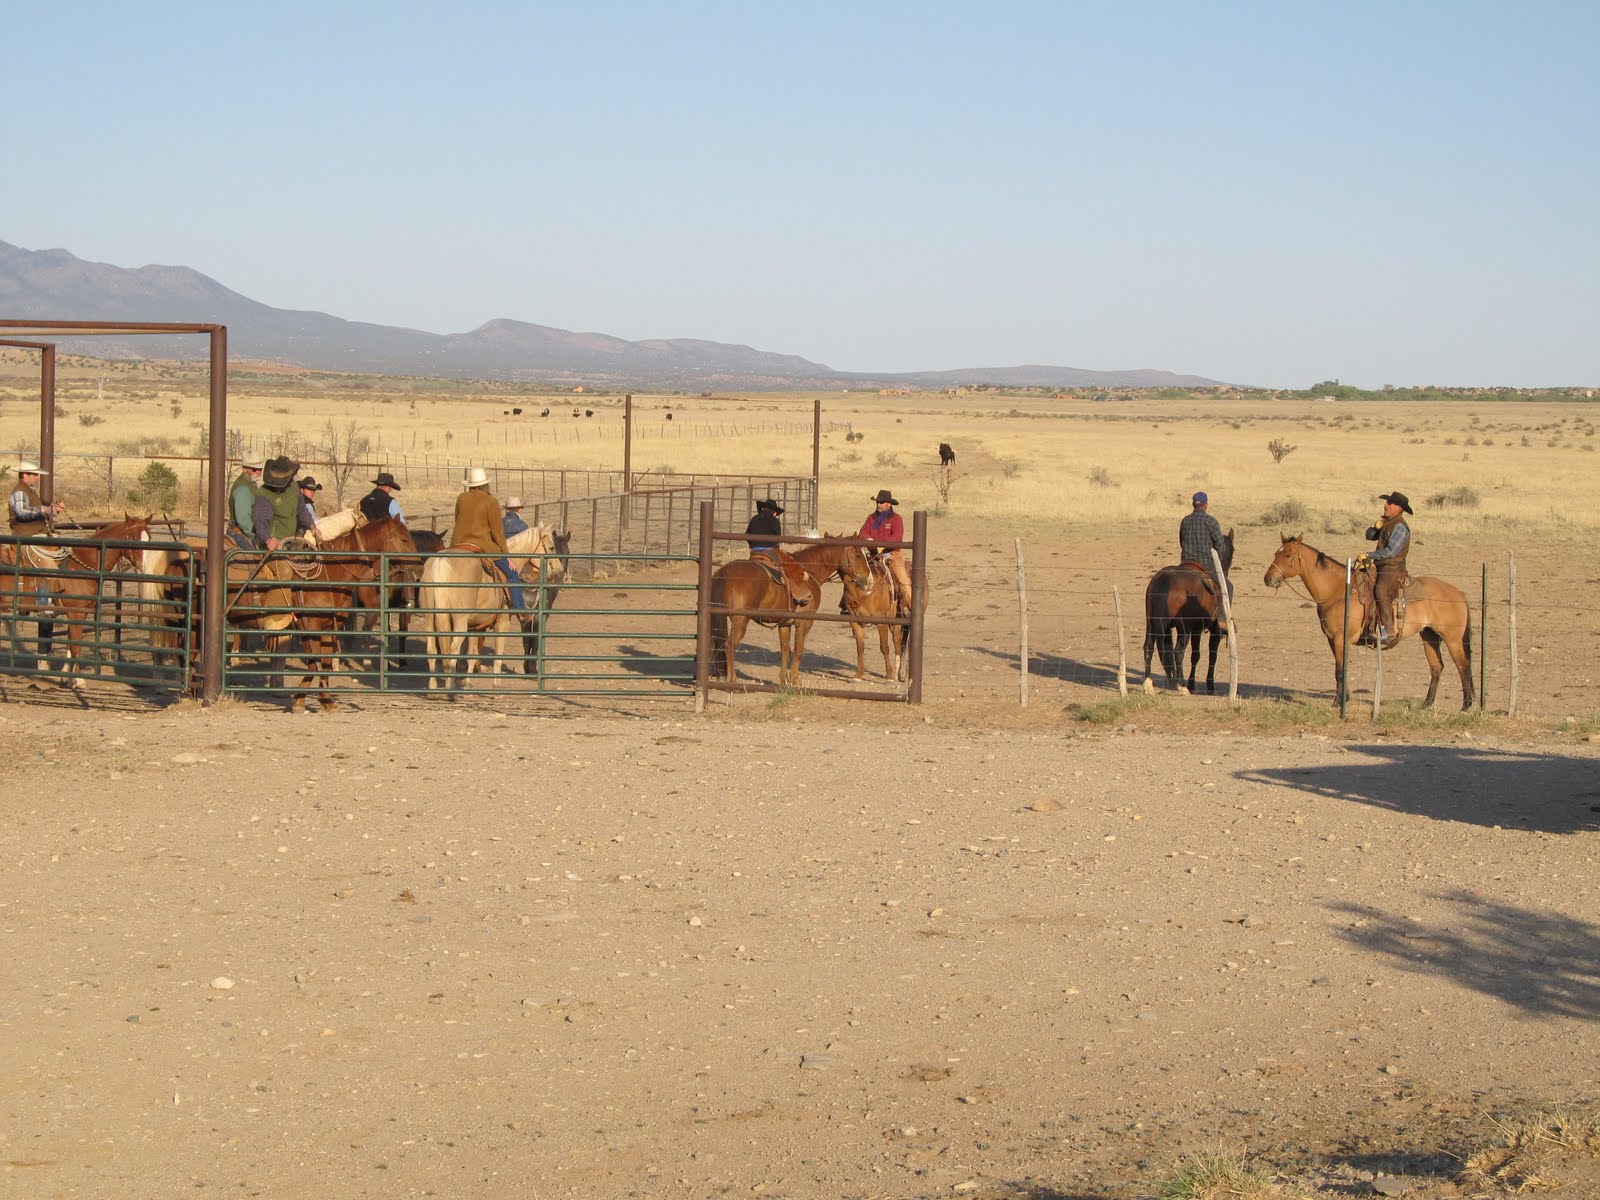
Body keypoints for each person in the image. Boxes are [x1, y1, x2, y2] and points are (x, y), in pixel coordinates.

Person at [452, 466, 525, 617]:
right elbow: (497, 533)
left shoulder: (461, 498)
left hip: (457, 544)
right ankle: (520, 610)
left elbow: (457, 520)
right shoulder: (490, 501)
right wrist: (507, 555)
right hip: (482, 546)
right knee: (512, 573)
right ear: (486, 484)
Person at [9, 460, 67, 618]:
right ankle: (43, 606)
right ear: (25, 475)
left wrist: (53, 510)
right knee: (46, 565)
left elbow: (36, 513)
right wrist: (45, 509)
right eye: (35, 474)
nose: (37, 477)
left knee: (61, 552)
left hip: (35, 536)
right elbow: (21, 512)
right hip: (26, 538)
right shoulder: (20, 492)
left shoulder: (30, 492)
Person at [1358, 490, 1413, 649]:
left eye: (1390, 503)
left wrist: (1368, 555)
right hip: (1381, 565)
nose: (1385, 505)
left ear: (1398, 508)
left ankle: (1388, 630)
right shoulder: (1387, 522)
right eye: (1387, 502)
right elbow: (1369, 536)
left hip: (1393, 567)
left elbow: (1391, 551)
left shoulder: (1400, 527)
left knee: (1381, 589)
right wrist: (1376, 526)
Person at [858, 488, 911, 616]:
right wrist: (868, 539)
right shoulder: (871, 518)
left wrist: (880, 544)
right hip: (872, 555)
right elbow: (863, 533)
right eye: (877, 502)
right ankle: (847, 604)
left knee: (903, 579)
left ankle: (910, 606)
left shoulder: (896, 519)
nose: (878, 505)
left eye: (881, 502)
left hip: (892, 554)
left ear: (889, 504)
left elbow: (897, 537)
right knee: (855, 573)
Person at [251, 456, 315, 550]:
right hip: (274, 543)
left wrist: (312, 525)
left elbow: (302, 510)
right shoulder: (263, 494)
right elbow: (261, 521)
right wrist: (268, 539)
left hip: (293, 540)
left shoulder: (294, 488)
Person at [1179, 491, 1232, 600]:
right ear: (1205, 505)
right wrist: (1218, 559)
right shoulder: (1211, 521)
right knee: (1229, 587)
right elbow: (1220, 545)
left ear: (1193, 504)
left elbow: (1181, 542)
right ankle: (1222, 616)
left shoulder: (1185, 521)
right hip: (1206, 564)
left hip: (1186, 563)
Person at [228, 458, 264, 547]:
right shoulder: (243, 489)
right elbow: (243, 521)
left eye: (260, 469)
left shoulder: (250, 483)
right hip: (243, 534)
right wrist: (258, 535)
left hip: (245, 531)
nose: (258, 472)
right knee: (256, 558)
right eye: (254, 469)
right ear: (244, 469)